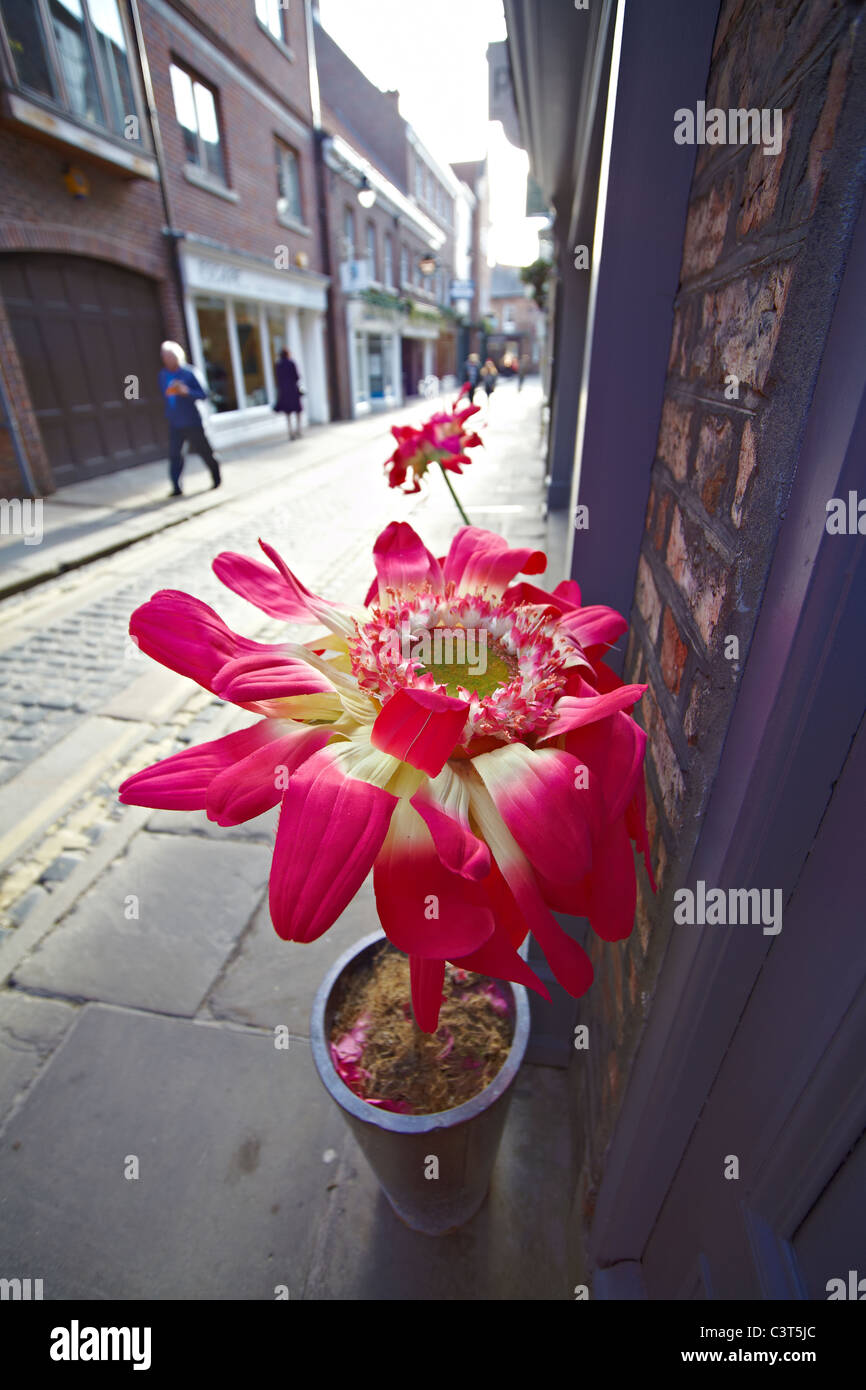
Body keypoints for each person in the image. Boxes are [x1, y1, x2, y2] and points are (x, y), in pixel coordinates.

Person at [158, 341, 221, 498]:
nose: (167, 359)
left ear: (177, 356)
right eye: (164, 357)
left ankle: (216, 476)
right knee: (175, 455)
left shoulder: (189, 373)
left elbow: (204, 394)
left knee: (204, 451)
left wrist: (186, 392)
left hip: (192, 421)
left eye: (169, 356)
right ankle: (176, 486)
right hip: (175, 421)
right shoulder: (163, 375)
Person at [273, 348, 303, 439]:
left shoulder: (278, 365)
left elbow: (278, 379)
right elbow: (297, 377)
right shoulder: (291, 363)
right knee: (298, 410)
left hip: (284, 392)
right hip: (293, 391)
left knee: (288, 413)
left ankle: (290, 432)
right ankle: (298, 430)